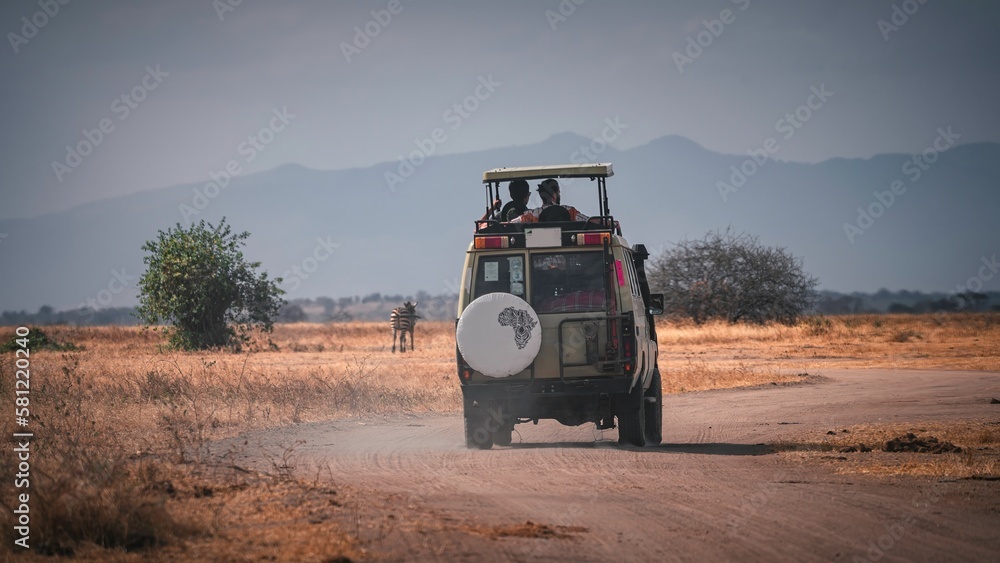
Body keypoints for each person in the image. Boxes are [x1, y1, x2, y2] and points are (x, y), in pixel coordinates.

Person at [510, 178, 590, 223]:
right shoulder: (570, 211)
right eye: (559, 192)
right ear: (554, 196)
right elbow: (589, 221)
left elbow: (511, 224)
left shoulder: (531, 215)